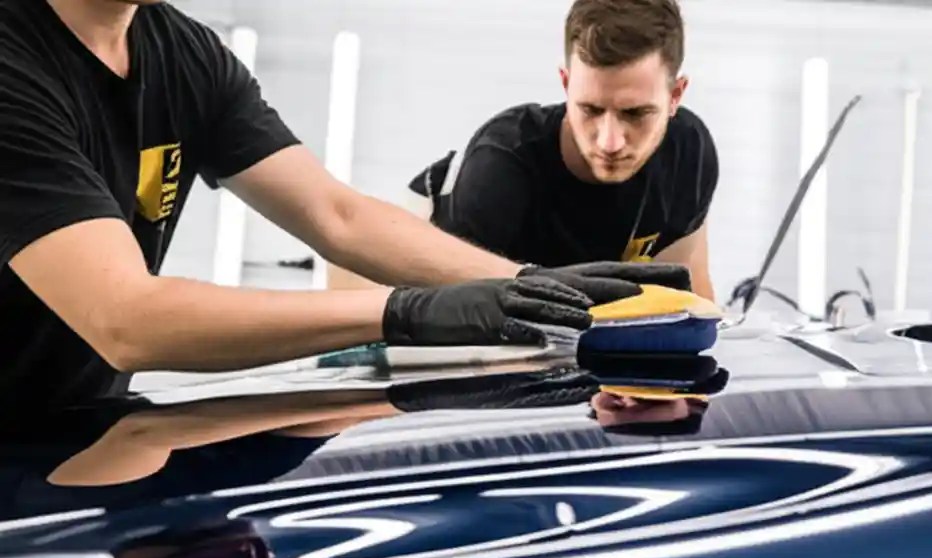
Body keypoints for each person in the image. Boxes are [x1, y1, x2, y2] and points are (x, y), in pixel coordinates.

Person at [0, 0, 691, 412]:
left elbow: (337, 216)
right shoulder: (14, 64)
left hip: (81, 429)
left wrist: (529, 284)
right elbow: (126, 319)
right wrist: (402, 312)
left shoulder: (182, 54)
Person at [398, 0, 719, 300]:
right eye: (591, 109)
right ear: (566, 85)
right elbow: (449, 316)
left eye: (635, 113)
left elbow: (686, 298)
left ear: (675, 96)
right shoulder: (500, 171)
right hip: (423, 276)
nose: (609, 143)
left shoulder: (688, 152)